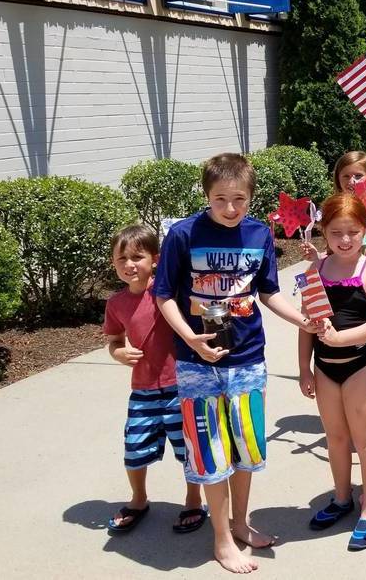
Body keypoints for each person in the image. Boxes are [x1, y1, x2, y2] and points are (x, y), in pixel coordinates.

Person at [153, 153, 324, 572]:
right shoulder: (183, 234)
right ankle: (222, 539)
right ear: (206, 195)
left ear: (251, 196)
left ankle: (241, 523)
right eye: (220, 199)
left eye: (239, 199)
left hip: (247, 359)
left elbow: (268, 290)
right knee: (210, 451)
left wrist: (305, 320)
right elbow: (163, 295)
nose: (230, 209)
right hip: (197, 363)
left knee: (246, 445)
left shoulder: (258, 233)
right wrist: (189, 336)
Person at [298, 193, 366, 551]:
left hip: (361, 368)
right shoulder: (316, 269)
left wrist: (342, 339)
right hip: (324, 370)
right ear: (324, 231)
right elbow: (306, 323)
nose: (345, 239)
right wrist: (304, 368)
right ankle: (342, 498)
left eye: (353, 231)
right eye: (336, 232)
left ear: (364, 231)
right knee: (335, 439)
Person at [103, 224, 205, 535]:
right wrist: (118, 353)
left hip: (179, 385)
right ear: (113, 263)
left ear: (156, 260)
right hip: (143, 390)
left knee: (188, 448)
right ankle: (138, 498)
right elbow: (114, 340)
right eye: (121, 259)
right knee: (134, 447)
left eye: (137, 257)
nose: (129, 264)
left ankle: (193, 499)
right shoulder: (116, 303)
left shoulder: (168, 292)